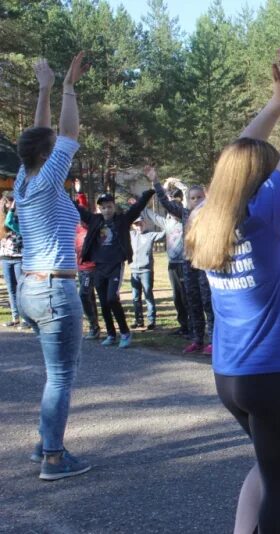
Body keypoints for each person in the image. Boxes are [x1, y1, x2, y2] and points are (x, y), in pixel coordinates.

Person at [184, 48, 280, 532]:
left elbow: (234, 160)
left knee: (268, 468)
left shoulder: (204, 219)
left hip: (230, 376)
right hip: (275, 375)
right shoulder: (263, 216)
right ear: (262, 180)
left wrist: (276, 101)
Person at [15, 53, 92, 480]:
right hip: (54, 289)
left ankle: (45, 441)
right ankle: (54, 458)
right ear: (48, 156)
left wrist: (43, 89)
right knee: (61, 377)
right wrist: (66, 85)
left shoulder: (27, 181)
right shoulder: (44, 179)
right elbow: (66, 133)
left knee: (53, 374)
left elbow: (44, 135)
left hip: (32, 286)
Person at [147, 168, 214, 354]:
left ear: (205, 198)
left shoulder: (211, 215)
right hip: (189, 264)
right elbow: (165, 203)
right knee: (192, 302)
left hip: (205, 264)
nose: (195, 201)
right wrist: (156, 182)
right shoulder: (185, 214)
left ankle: (214, 340)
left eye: (199, 197)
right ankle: (197, 339)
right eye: (192, 198)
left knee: (208, 302)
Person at [77, 188, 154, 348]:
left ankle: (125, 332)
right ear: (99, 209)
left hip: (115, 265)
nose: (106, 210)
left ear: (114, 207)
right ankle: (111, 334)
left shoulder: (122, 220)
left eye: (109, 206)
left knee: (112, 298)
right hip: (98, 266)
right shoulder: (94, 220)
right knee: (104, 302)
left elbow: (137, 207)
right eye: (103, 207)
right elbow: (78, 209)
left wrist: (149, 192)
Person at [143, 197, 190, 336]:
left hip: (184, 264)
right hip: (172, 265)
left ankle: (192, 326)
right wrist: (140, 205)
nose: (172, 212)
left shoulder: (186, 222)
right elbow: (153, 216)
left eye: (175, 209)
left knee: (186, 296)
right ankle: (183, 325)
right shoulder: (167, 223)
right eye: (170, 210)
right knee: (177, 297)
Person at [129, 216, 165, 329]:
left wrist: (167, 224)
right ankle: (138, 320)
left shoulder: (151, 235)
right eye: (136, 224)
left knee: (148, 295)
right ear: (133, 226)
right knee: (135, 297)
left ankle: (151, 320)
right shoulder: (131, 235)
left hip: (146, 271)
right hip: (134, 271)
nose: (139, 226)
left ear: (145, 223)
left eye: (140, 224)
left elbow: (164, 234)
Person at [1, 192, 27, 328]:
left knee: (21, 289)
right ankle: (15, 317)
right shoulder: (1, 220)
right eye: (7, 202)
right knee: (11, 289)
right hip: (5, 257)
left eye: (11, 202)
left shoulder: (19, 219)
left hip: (19, 257)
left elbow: (10, 222)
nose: (10, 204)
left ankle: (25, 319)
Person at [75, 199, 100, 340]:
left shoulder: (93, 229)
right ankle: (94, 326)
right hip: (80, 268)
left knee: (83, 295)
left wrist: (80, 195)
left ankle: (94, 325)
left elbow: (82, 207)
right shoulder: (77, 229)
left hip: (91, 268)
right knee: (89, 297)